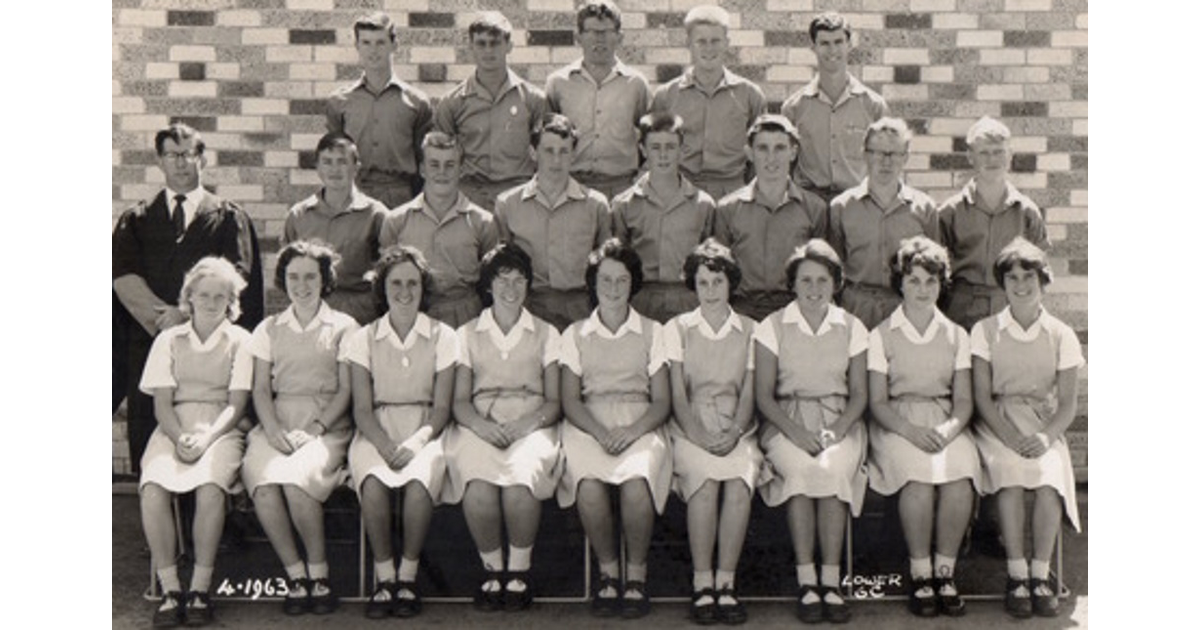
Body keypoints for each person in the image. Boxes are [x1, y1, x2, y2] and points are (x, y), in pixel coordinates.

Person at [113, 122, 264, 476]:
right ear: (160, 161)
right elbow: (124, 279)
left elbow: (237, 279)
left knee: (211, 455)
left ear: (203, 159)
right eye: (172, 155)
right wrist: (165, 325)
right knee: (154, 454)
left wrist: (187, 318)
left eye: (189, 154)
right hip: (150, 346)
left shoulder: (228, 217)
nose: (181, 162)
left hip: (212, 351)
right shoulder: (136, 219)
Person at [443, 243, 563, 612]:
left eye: (519, 280)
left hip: (533, 424)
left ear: (529, 285)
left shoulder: (547, 333)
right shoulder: (466, 334)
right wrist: (482, 427)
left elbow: (555, 401)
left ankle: (519, 573)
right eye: (502, 279)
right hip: (480, 424)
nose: (511, 289)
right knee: (478, 483)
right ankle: (492, 570)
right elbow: (460, 401)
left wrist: (525, 425)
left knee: (520, 480)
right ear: (488, 285)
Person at [241, 241, 358, 616]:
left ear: (324, 281)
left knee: (297, 482)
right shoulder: (268, 328)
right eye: (293, 277)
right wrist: (272, 430)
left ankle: (319, 575)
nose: (301, 285)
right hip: (277, 421)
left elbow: (347, 389)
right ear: (283, 280)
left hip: (327, 424)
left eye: (310, 276)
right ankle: (296, 576)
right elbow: (260, 388)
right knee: (263, 485)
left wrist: (319, 428)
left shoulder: (344, 326)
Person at [754, 239, 868, 625]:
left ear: (836, 283)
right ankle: (807, 580)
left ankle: (831, 581)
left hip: (840, 420)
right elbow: (763, 397)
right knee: (802, 472)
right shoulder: (772, 326)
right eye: (806, 280)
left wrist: (836, 430)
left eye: (822, 280)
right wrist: (796, 432)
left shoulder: (852, 327)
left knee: (833, 471)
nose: (814, 289)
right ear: (793, 284)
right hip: (785, 420)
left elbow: (860, 395)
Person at [865, 236, 980, 618]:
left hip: (945, 420)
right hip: (897, 423)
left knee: (959, 478)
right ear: (900, 282)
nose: (922, 289)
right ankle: (920, 573)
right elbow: (877, 402)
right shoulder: (880, 335)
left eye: (930, 281)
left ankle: (945, 573)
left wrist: (949, 430)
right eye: (913, 280)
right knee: (917, 478)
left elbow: (963, 401)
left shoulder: (957, 335)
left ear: (941, 284)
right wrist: (910, 432)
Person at [558, 239, 672, 619]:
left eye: (621, 280)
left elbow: (661, 401)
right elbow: (571, 401)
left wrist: (633, 430)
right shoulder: (574, 334)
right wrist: (600, 432)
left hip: (640, 422)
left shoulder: (654, 332)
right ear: (593, 283)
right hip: (589, 425)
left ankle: (636, 576)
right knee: (588, 485)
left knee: (636, 482)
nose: (612, 288)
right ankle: (608, 574)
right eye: (605, 280)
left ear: (632, 284)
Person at [970, 237, 1083, 619]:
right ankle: (1016, 574)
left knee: (1047, 474)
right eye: (1012, 277)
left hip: (1041, 423)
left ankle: (1040, 574)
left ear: (1043, 280)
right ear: (1002, 284)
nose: (1020, 285)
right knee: (1011, 472)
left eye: (1028, 276)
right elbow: (982, 399)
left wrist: (1044, 437)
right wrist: (1009, 438)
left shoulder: (1061, 335)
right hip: (997, 423)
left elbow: (1067, 404)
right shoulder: (984, 331)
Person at [344, 245, 459, 619]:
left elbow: (442, 408)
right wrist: (384, 444)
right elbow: (361, 408)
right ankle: (384, 577)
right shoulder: (362, 338)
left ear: (424, 289)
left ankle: (407, 577)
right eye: (396, 283)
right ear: (383, 288)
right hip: (376, 428)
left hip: (425, 428)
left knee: (418, 484)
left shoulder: (444, 336)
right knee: (374, 484)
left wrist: (415, 442)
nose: (405, 292)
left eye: (413, 283)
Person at [139, 258, 253, 628]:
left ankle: (201, 589)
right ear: (189, 297)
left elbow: (236, 406)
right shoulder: (168, 340)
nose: (210, 302)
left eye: (220, 296)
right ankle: (171, 589)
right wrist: (179, 436)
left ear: (231, 301)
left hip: (221, 427)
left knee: (209, 489)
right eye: (203, 294)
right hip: (174, 425)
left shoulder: (242, 341)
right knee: (153, 489)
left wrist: (206, 437)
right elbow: (161, 404)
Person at [664, 238, 762, 625]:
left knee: (738, 483)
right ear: (693, 285)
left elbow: (751, 393)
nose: (710, 291)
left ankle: (726, 583)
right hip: (691, 428)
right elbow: (676, 395)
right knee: (704, 483)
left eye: (717, 282)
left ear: (730, 284)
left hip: (737, 428)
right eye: (703, 283)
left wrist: (735, 431)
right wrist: (700, 436)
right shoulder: (677, 329)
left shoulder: (752, 330)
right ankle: (702, 584)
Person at [494, 113, 612, 330]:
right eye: (548, 151)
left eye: (564, 151)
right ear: (533, 152)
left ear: (574, 155)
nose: (556, 161)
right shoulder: (508, 204)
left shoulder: (596, 205)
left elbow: (606, 268)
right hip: (529, 308)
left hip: (581, 308)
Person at [938, 117, 1051, 331]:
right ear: (970, 156)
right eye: (984, 153)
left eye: (999, 151)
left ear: (1010, 155)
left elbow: (1041, 273)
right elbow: (935, 271)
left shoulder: (1026, 212)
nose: (992, 159)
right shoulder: (950, 212)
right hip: (960, 308)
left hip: (1011, 306)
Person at [829, 117, 940, 330]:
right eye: (878, 152)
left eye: (894, 154)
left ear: (905, 158)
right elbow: (833, 270)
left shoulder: (924, 208)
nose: (886, 162)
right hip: (855, 308)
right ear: (865, 154)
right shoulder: (841, 207)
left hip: (906, 308)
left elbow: (935, 271)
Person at [714, 114, 827, 321]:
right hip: (742, 310)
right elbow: (719, 273)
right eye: (762, 148)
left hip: (795, 310)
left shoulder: (814, 208)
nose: (771, 158)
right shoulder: (727, 209)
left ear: (793, 153)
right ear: (749, 153)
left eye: (780, 148)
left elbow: (823, 271)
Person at [379, 131, 499, 329]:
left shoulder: (482, 222)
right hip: (414, 312)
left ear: (461, 170)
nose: (442, 172)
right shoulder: (397, 221)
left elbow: (491, 283)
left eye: (450, 165)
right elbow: (386, 279)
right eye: (434, 164)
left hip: (465, 315)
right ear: (422, 169)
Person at [433, 11, 548, 211]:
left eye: (495, 43)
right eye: (481, 43)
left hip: (518, 196)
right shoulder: (452, 103)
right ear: (471, 47)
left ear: (509, 46)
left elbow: (546, 153)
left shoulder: (533, 99)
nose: (488, 50)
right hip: (469, 197)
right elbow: (440, 158)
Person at [650, 5, 766, 200]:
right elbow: (652, 150)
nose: (708, 48)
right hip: (681, 193)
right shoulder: (666, 96)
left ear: (727, 43)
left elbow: (760, 153)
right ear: (689, 43)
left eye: (715, 41)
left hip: (733, 192)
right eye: (701, 41)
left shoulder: (749, 95)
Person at [612, 112, 715, 323]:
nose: (663, 155)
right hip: (641, 299)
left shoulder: (703, 204)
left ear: (682, 150)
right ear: (642, 150)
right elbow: (618, 260)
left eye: (670, 147)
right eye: (655, 147)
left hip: (689, 299)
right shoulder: (624, 204)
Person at [545, 0, 650, 202]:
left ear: (620, 37)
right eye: (592, 32)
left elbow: (652, 137)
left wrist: (640, 180)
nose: (599, 39)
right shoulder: (558, 83)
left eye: (606, 32)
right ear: (578, 37)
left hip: (623, 188)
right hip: (571, 188)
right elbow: (544, 141)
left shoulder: (636, 84)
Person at [326, 12, 433, 208]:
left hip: (401, 197)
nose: (373, 50)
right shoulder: (339, 102)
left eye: (380, 42)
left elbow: (424, 162)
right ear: (357, 46)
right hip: (353, 196)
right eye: (366, 43)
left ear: (394, 45)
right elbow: (334, 159)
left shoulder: (417, 102)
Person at [781, 11, 889, 204]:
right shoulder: (794, 108)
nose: (832, 50)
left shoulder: (873, 106)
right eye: (824, 43)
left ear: (849, 45)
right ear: (813, 47)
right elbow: (785, 166)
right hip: (809, 204)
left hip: (857, 204)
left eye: (838, 42)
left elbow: (886, 162)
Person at [283, 133, 389, 325]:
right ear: (317, 167)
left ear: (356, 167)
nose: (334, 169)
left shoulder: (376, 214)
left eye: (342, 161)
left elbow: (390, 271)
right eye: (327, 162)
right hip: (312, 312)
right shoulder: (299, 215)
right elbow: (286, 270)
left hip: (362, 314)